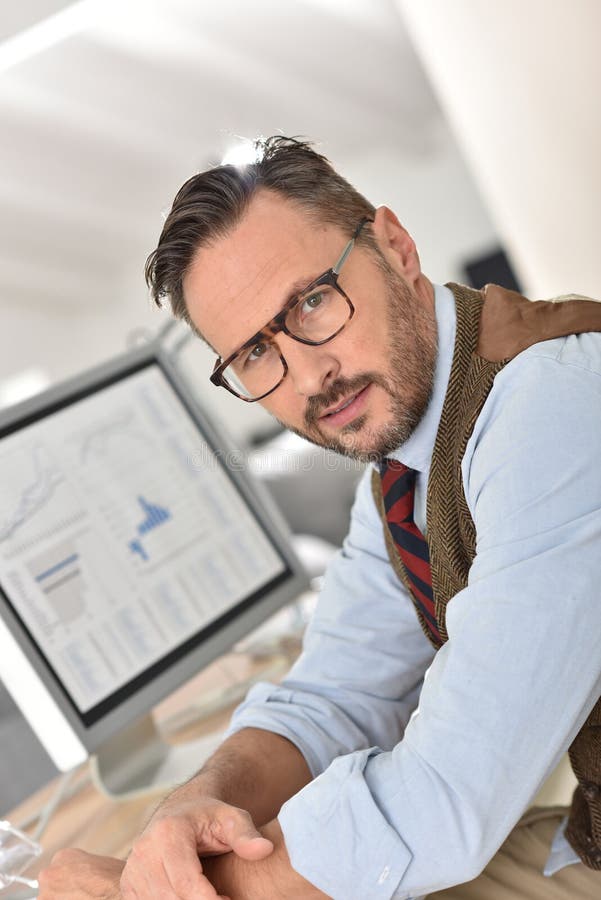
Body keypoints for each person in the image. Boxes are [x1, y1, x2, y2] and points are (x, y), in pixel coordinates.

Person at [38, 136, 601, 899]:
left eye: (311, 302)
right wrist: (188, 816)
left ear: (395, 247)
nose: (307, 375)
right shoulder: (404, 465)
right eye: (251, 355)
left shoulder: (550, 410)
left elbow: (441, 806)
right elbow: (335, 696)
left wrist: (138, 894)